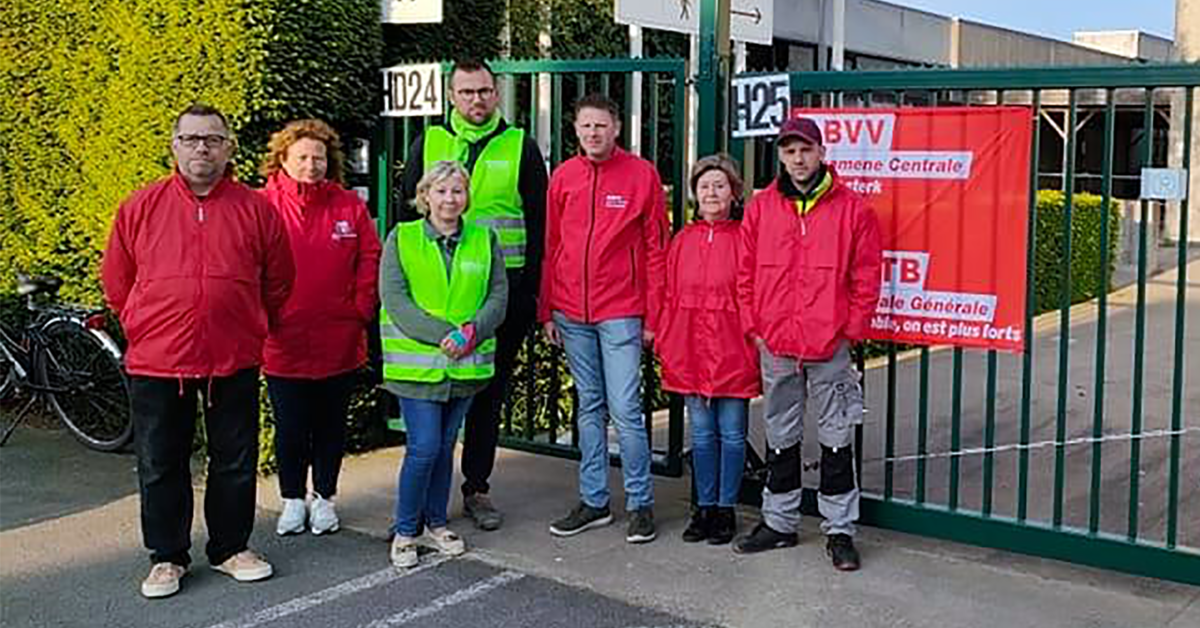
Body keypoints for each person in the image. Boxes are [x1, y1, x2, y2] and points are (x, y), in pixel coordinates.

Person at [102, 104, 295, 598]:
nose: (201, 148)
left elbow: (279, 280)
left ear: (229, 147)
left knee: (234, 458)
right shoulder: (140, 207)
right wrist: (145, 325)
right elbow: (118, 282)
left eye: (211, 139)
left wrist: (251, 326)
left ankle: (232, 548)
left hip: (233, 358)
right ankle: (167, 557)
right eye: (190, 139)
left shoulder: (256, 209)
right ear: (174, 145)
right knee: (161, 461)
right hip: (159, 362)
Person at [397, 59, 548, 532]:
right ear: (451, 96)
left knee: (487, 394)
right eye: (466, 93)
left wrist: (532, 294)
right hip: (437, 298)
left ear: (496, 93)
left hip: (502, 297)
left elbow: (541, 222)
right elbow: (404, 214)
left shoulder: (520, 145)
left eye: (484, 91)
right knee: (432, 396)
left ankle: (476, 488)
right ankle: (423, 500)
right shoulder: (429, 142)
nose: (476, 100)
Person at [734, 117, 881, 571]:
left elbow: (867, 274)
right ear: (780, 155)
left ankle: (839, 531)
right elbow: (744, 271)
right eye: (789, 151)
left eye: (805, 150)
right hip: (776, 342)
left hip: (829, 342)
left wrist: (851, 328)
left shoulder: (852, 208)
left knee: (837, 439)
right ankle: (779, 523)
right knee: (780, 435)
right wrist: (754, 326)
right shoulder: (762, 207)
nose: (797, 159)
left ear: (821, 152)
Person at [540, 93, 669, 544]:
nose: (593, 133)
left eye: (601, 125)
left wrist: (653, 315)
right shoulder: (563, 177)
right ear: (575, 129)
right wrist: (547, 309)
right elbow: (551, 245)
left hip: (621, 312)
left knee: (627, 410)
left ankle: (641, 503)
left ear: (617, 127)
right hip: (571, 313)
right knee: (589, 409)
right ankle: (594, 500)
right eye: (585, 126)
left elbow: (657, 250)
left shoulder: (641, 175)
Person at [380, 160, 508, 568]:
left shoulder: (484, 240)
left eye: (457, 191)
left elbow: (498, 296)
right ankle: (405, 530)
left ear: (467, 197)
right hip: (417, 369)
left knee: (444, 448)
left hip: (465, 368)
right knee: (424, 448)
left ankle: (436, 523)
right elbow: (395, 300)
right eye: (441, 191)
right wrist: (445, 336)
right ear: (425, 196)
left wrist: (471, 332)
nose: (449, 199)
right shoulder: (402, 238)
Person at [258, 119, 382, 537]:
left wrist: (360, 306)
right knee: (291, 426)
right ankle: (292, 499)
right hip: (283, 338)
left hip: (339, 337)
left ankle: (324, 498)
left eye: (319, 158)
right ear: (283, 159)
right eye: (303, 157)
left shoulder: (349, 205)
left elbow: (370, 257)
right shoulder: (263, 205)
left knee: (331, 425)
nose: (311, 165)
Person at [656, 154, 759, 546]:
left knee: (732, 435)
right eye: (704, 186)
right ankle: (702, 507)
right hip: (691, 347)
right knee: (701, 436)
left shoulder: (746, 239)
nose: (711, 193)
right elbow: (668, 295)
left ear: (734, 192)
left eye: (720, 185)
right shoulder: (682, 240)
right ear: (695, 195)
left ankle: (725, 509)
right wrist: (666, 337)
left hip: (733, 347)